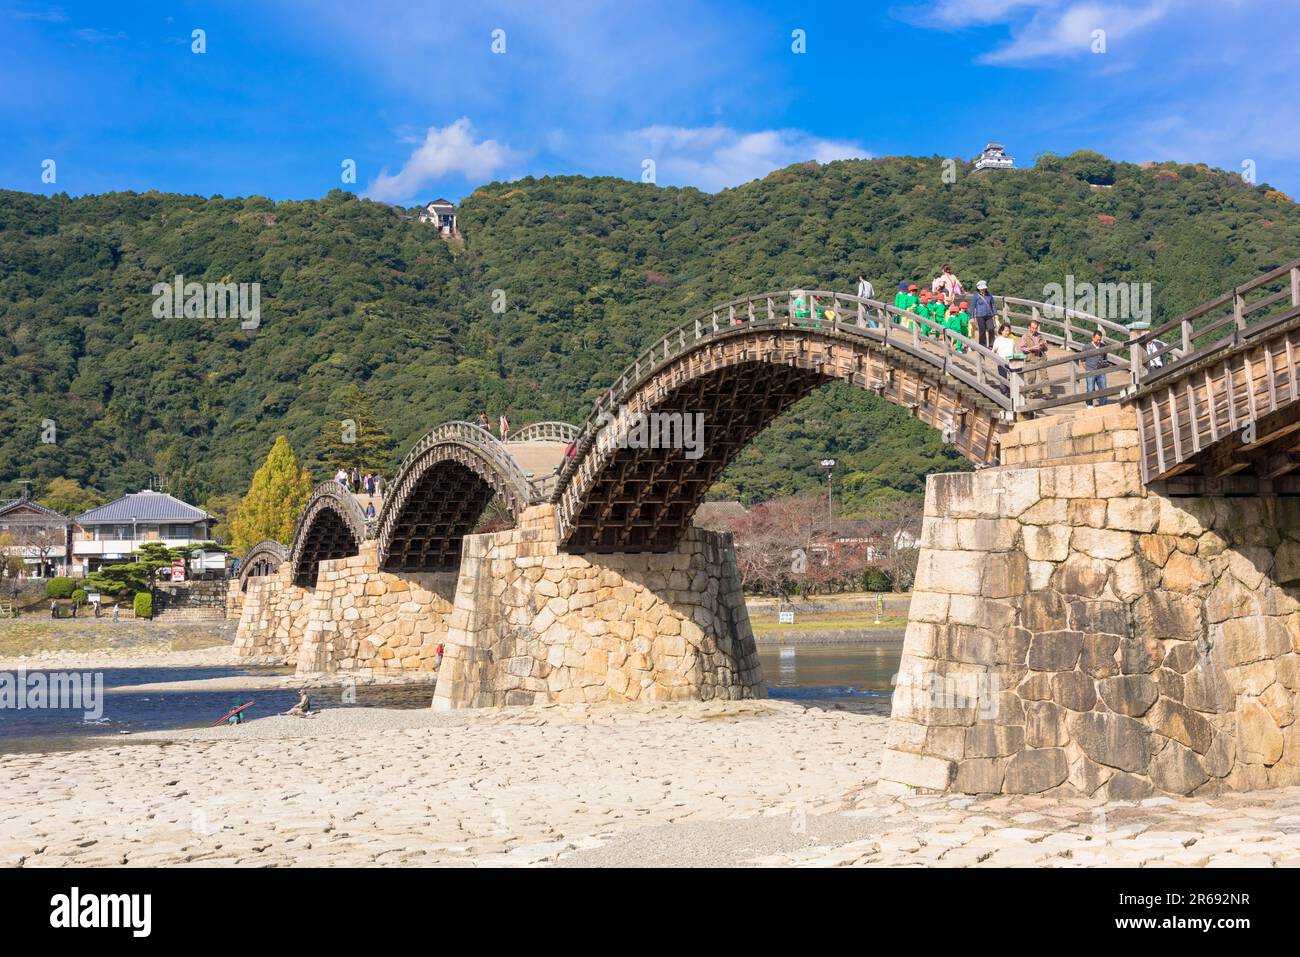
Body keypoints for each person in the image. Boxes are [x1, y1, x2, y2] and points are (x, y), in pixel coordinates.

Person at [1016, 318, 1049, 395]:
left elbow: (1046, 349)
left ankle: (1047, 392)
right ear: (1029, 327)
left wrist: (1043, 345)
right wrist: (1031, 348)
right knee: (1031, 376)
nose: (1034, 330)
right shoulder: (1025, 336)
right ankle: (1032, 392)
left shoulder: (1040, 336)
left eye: (1036, 328)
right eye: (1033, 328)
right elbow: (1022, 348)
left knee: (1044, 375)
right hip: (1030, 358)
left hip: (1040, 357)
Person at [1085, 330, 1110, 406]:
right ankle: (1089, 404)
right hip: (1090, 370)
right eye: (1096, 339)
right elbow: (1082, 360)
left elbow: (1105, 357)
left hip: (1101, 370)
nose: (1098, 341)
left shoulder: (1103, 346)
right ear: (1093, 338)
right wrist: (1087, 368)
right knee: (1090, 389)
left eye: (1099, 339)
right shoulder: (1087, 347)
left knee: (1103, 389)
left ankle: (1103, 405)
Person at [970, 280, 997, 350]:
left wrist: (995, 314)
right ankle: (982, 345)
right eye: (981, 288)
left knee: (991, 329)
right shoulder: (975, 296)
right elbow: (972, 306)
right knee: (982, 331)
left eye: (983, 288)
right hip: (980, 315)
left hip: (989, 315)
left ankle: (991, 345)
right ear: (978, 288)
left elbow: (993, 304)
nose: (982, 289)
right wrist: (972, 317)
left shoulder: (989, 295)